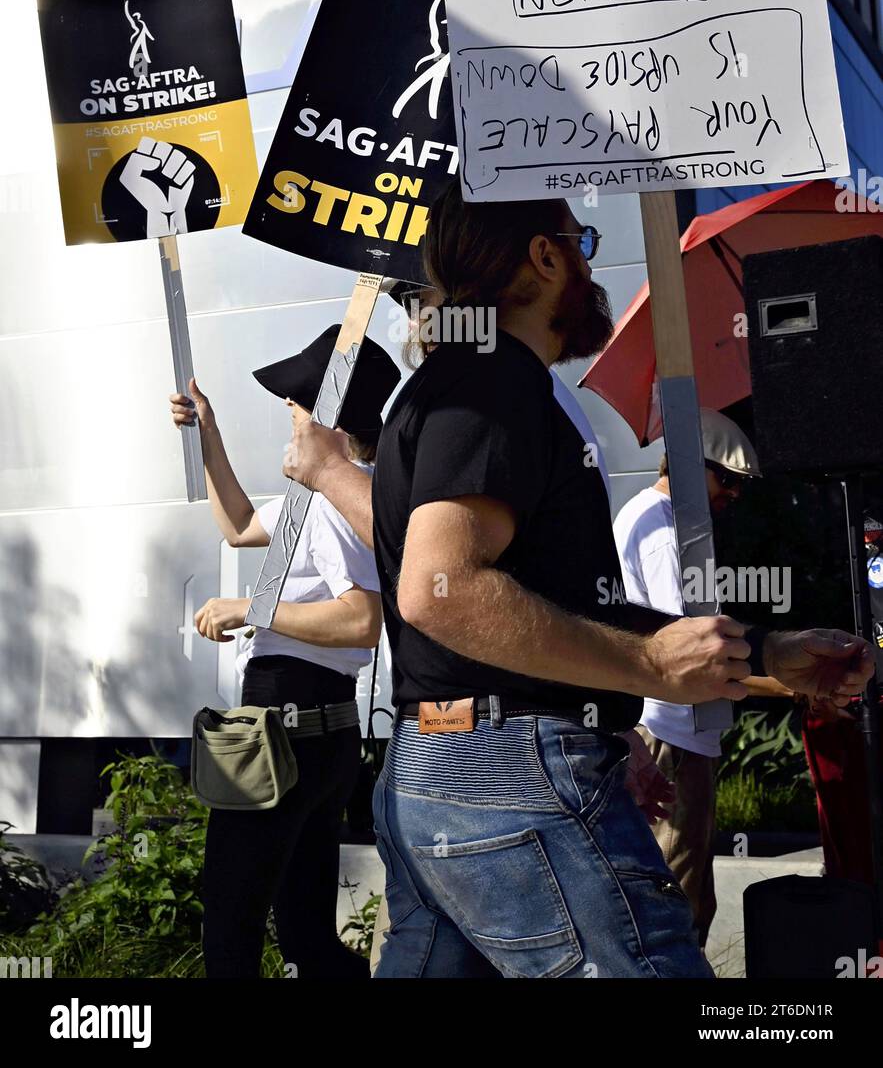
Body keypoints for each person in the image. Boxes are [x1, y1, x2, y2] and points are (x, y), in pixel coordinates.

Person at [286, 186, 872, 979]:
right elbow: (438, 587)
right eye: (581, 242)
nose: (589, 269)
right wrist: (647, 668)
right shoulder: (490, 380)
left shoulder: (450, 385)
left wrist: (761, 649)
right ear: (542, 254)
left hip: (437, 763)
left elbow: (560, 608)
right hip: (510, 768)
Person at [169, 325, 399, 979]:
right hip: (318, 735)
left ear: (328, 419)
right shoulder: (321, 495)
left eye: (297, 403)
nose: (288, 413)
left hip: (284, 732)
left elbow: (362, 619)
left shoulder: (332, 500)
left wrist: (250, 609)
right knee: (303, 936)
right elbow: (241, 526)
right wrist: (207, 433)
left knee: (231, 929)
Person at [614, 411, 791, 949]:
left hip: (671, 728)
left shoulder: (655, 516)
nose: (735, 495)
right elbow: (688, 645)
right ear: (692, 466)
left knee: (681, 896)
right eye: (728, 480)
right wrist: (781, 680)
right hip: (669, 732)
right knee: (677, 902)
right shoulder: (664, 527)